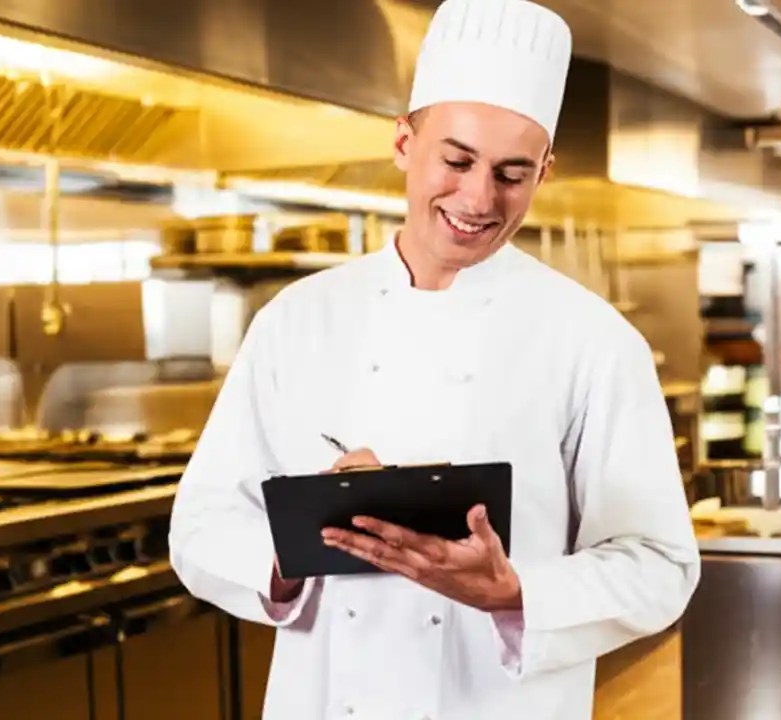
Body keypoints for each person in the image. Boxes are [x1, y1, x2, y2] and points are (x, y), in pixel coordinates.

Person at [167, 0, 701, 717]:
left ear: (544, 171)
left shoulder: (592, 340)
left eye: (512, 173)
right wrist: (301, 541)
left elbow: (660, 567)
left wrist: (515, 592)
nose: (478, 198)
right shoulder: (296, 321)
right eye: (457, 160)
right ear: (403, 142)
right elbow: (201, 525)